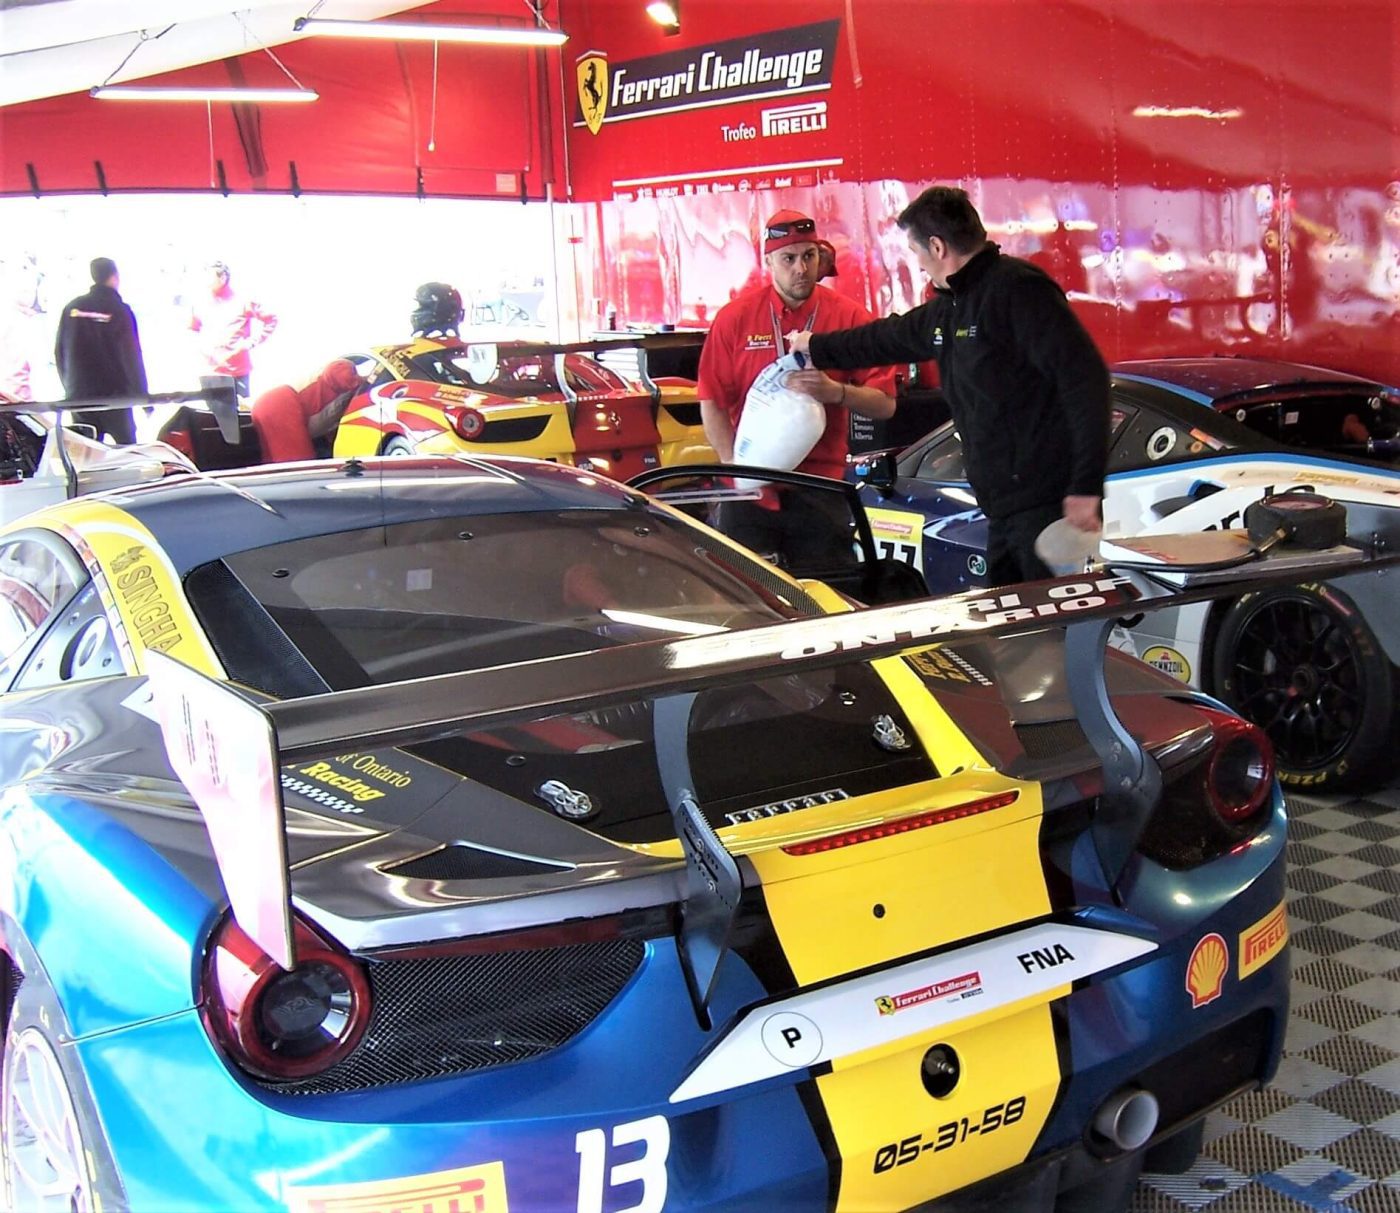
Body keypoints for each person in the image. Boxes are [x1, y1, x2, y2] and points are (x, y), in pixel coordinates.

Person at [790, 186, 1110, 585]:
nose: (918, 263)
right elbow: (884, 337)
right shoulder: (950, 307)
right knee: (1009, 631)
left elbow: (1086, 382)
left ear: (937, 247)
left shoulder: (1018, 291)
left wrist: (1085, 487)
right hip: (1000, 507)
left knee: (1048, 630)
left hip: (1046, 504)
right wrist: (814, 347)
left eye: (916, 251)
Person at [696, 209, 897, 564]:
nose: (801, 268)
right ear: (769, 261)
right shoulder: (735, 319)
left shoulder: (849, 318)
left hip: (819, 489)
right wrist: (734, 467)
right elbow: (711, 400)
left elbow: (885, 405)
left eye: (809, 256)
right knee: (750, 601)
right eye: (789, 258)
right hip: (749, 493)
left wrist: (837, 392)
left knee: (829, 599)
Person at [54, 257, 148, 445]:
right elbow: (130, 356)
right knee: (127, 451)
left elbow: (59, 352)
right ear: (114, 277)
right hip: (114, 398)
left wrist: (71, 388)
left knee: (88, 452)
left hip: (80, 397)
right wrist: (142, 395)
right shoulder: (119, 310)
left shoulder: (72, 308)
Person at [189, 261, 278, 398]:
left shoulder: (243, 300)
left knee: (240, 416)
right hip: (210, 372)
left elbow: (271, 319)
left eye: (209, 275)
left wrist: (251, 342)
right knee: (211, 417)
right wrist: (200, 349)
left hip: (236, 371)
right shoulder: (200, 302)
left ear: (223, 277)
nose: (205, 279)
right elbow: (193, 329)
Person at [250, 360, 366, 463]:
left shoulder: (342, 403)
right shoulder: (344, 369)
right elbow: (337, 370)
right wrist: (362, 382)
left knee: (275, 464)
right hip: (282, 404)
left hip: (268, 403)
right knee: (299, 465)